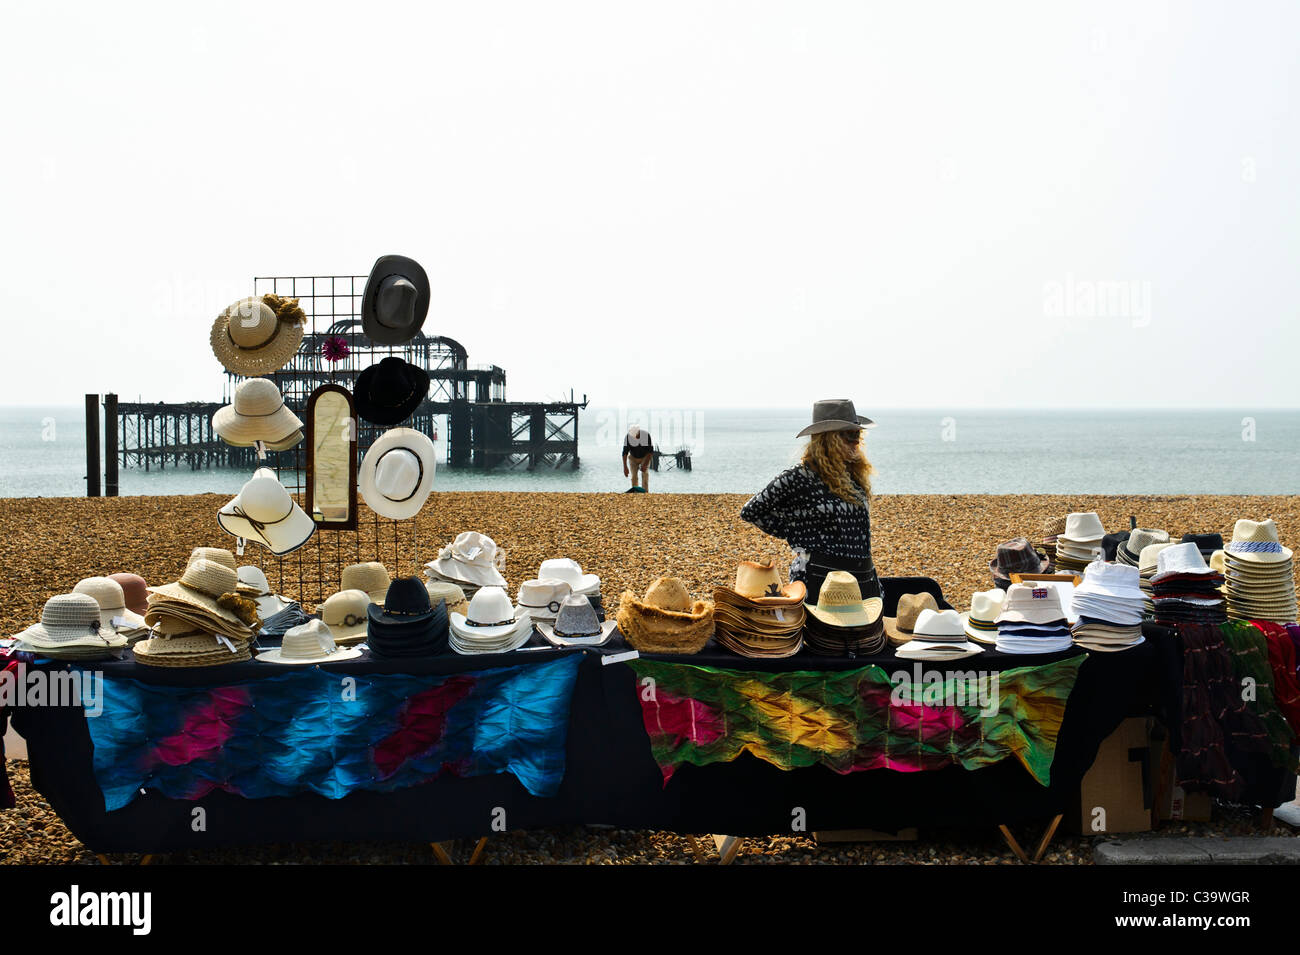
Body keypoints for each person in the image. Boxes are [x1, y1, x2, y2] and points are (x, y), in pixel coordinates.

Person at [740, 398, 880, 604]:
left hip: (862, 580)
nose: (857, 441)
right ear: (829, 438)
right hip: (818, 582)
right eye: (851, 435)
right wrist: (795, 531)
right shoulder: (798, 477)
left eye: (858, 434)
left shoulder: (853, 475)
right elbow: (750, 511)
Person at [622, 425, 654, 492]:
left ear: (639, 432)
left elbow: (650, 452)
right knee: (634, 476)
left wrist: (645, 464)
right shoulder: (628, 437)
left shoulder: (646, 435)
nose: (634, 437)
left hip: (644, 457)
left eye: (635, 435)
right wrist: (625, 467)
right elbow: (625, 453)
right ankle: (635, 492)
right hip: (633, 457)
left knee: (645, 474)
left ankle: (645, 492)